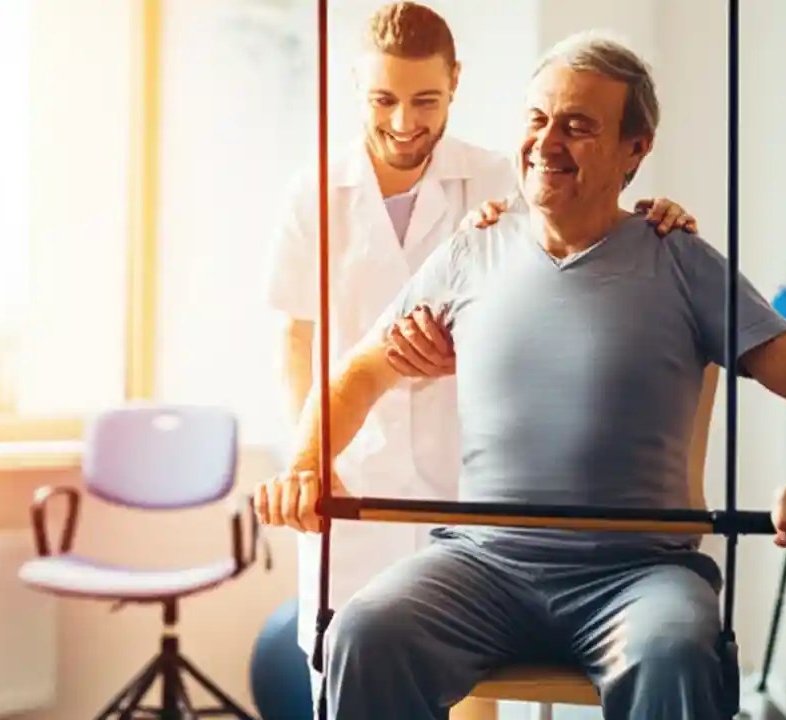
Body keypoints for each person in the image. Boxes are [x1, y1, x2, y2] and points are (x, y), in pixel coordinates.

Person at [255, 27, 786, 720]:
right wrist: (307, 464)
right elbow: (358, 374)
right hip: (482, 566)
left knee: (677, 650)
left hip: (639, 577)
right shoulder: (472, 249)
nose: (548, 143)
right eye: (538, 120)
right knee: (366, 632)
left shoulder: (682, 260)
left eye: (578, 127)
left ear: (636, 148)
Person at [263, 0, 701, 695]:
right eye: (383, 99)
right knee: (353, 656)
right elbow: (298, 338)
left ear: (456, 83)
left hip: (468, 470)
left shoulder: (503, 179)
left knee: (473, 685)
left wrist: (660, 214)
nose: (405, 122)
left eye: (426, 100)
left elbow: (567, 278)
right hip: (354, 465)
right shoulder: (311, 196)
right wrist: (308, 458)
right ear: (354, 85)